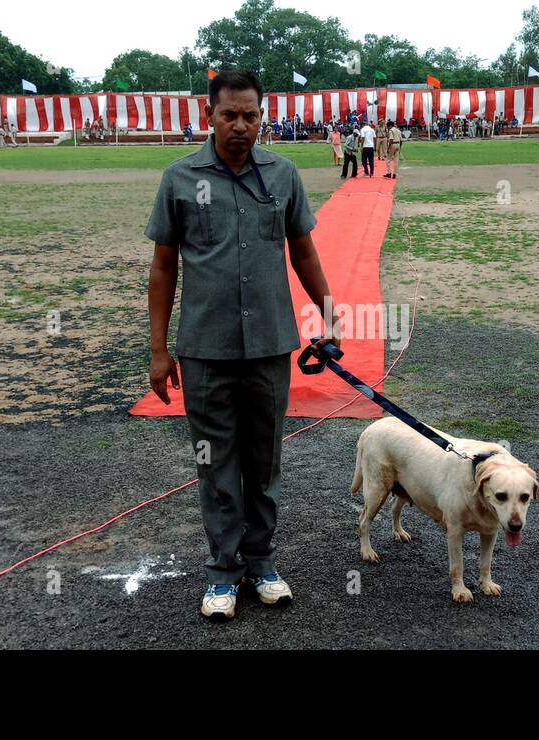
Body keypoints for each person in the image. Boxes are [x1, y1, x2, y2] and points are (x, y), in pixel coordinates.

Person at [145, 70, 337, 622]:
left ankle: (263, 564)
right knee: (215, 463)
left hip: (270, 347)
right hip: (205, 350)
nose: (240, 125)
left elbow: (303, 251)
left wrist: (328, 314)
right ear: (209, 115)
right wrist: (159, 350)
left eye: (250, 115)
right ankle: (222, 572)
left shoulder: (283, 174)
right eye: (229, 114)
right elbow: (162, 269)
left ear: (262, 115)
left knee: (264, 459)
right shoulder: (180, 179)